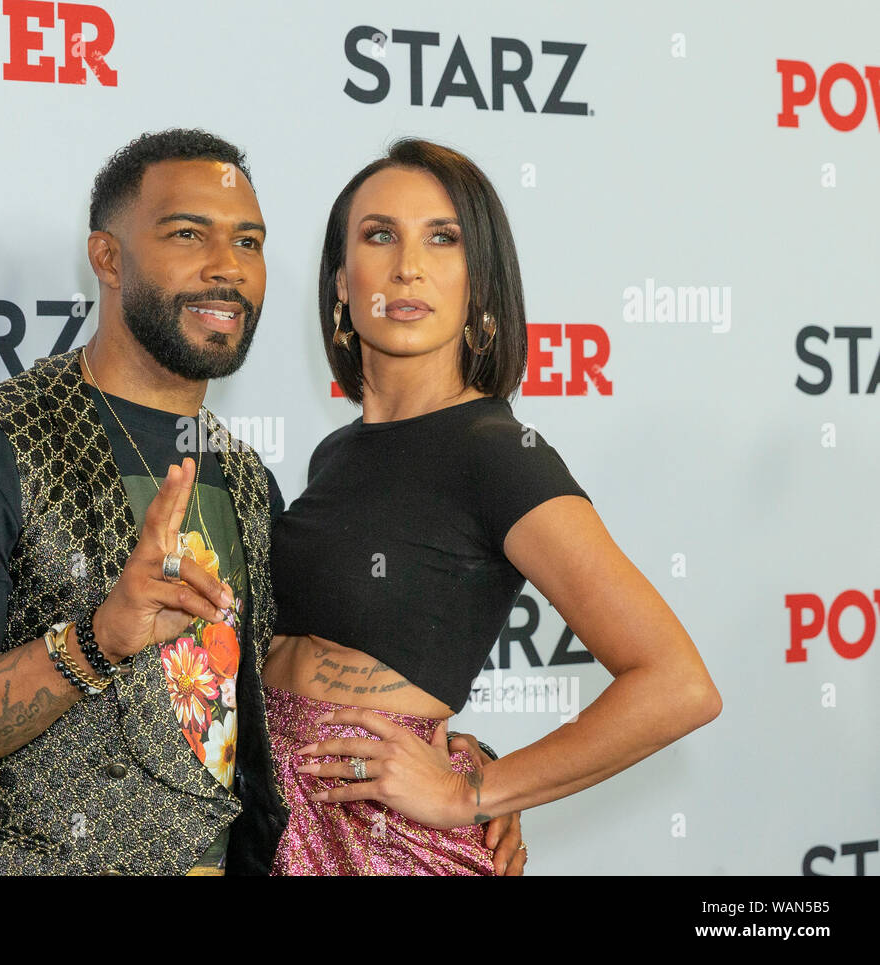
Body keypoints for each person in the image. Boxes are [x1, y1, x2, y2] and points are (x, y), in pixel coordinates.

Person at [0, 128, 523, 875]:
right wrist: (92, 644)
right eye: (187, 233)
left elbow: (286, 701)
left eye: (249, 241)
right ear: (107, 257)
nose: (226, 267)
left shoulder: (245, 480)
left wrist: (465, 769)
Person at [263, 138, 723, 876]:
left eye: (442, 239)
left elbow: (677, 684)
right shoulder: (336, 454)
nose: (408, 265)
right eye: (379, 235)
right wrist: (470, 752)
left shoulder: (497, 450)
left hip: (382, 848)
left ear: (479, 283)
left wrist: (473, 790)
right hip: (278, 822)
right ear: (341, 282)